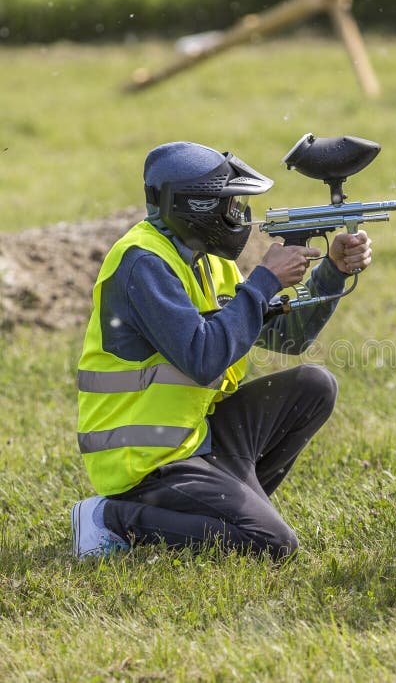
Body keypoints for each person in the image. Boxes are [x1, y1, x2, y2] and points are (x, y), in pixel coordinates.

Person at [71, 141, 371, 561]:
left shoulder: (209, 261)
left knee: (314, 385)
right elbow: (203, 357)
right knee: (273, 544)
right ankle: (111, 517)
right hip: (145, 462)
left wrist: (332, 273)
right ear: (196, 207)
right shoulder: (142, 264)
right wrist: (264, 280)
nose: (241, 217)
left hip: (198, 439)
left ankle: (228, 508)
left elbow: (288, 338)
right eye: (232, 207)